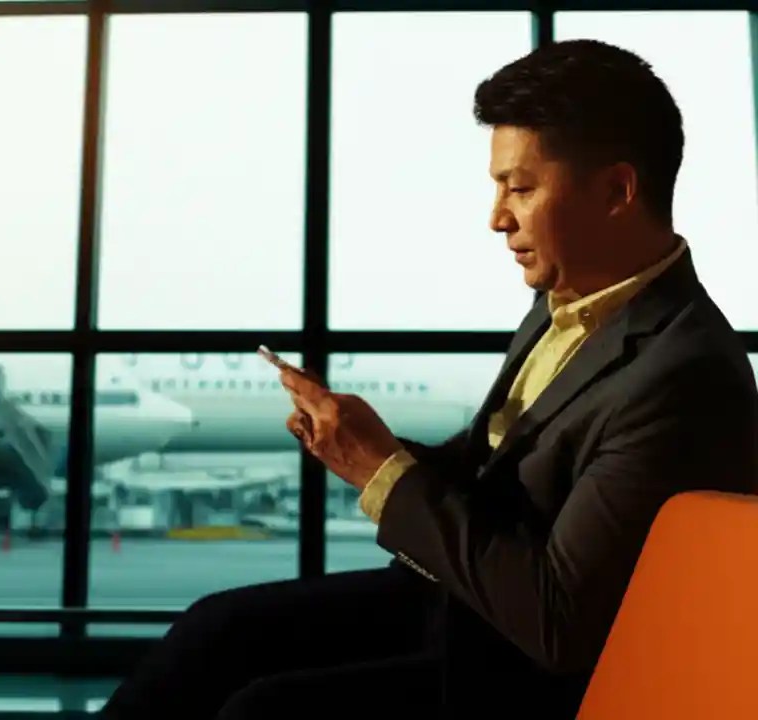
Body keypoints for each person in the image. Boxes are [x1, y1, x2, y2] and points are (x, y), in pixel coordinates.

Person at [100, 38, 758, 719]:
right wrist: (365, 447)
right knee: (212, 631)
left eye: (520, 188)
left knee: (263, 709)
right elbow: (494, 472)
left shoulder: (683, 375)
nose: (497, 218)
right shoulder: (563, 307)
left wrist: (380, 471)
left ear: (618, 191)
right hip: (466, 608)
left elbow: (559, 622)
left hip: (526, 672)